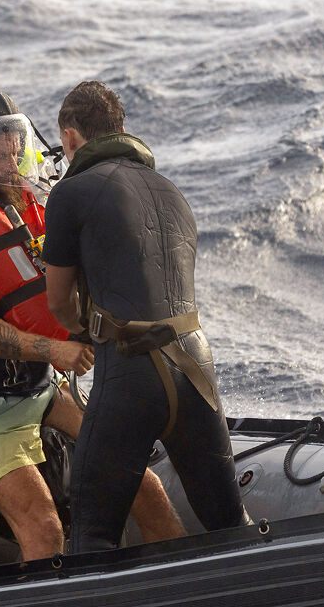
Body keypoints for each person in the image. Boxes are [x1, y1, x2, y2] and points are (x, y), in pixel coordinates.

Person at [0, 83, 184, 560]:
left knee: (143, 482)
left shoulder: (20, 210)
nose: (13, 164)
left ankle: (180, 584)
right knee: (44, 528)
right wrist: (56, 350)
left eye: (16, 147)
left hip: (38, 388)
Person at [43, 81, 248, 553]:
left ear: (70, 138)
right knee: (230, 523)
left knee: (92, 535)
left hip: (131, 373)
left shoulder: (71, 192)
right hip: (196, 366)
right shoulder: (172, 192)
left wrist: (83, 332)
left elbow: (57, 301)